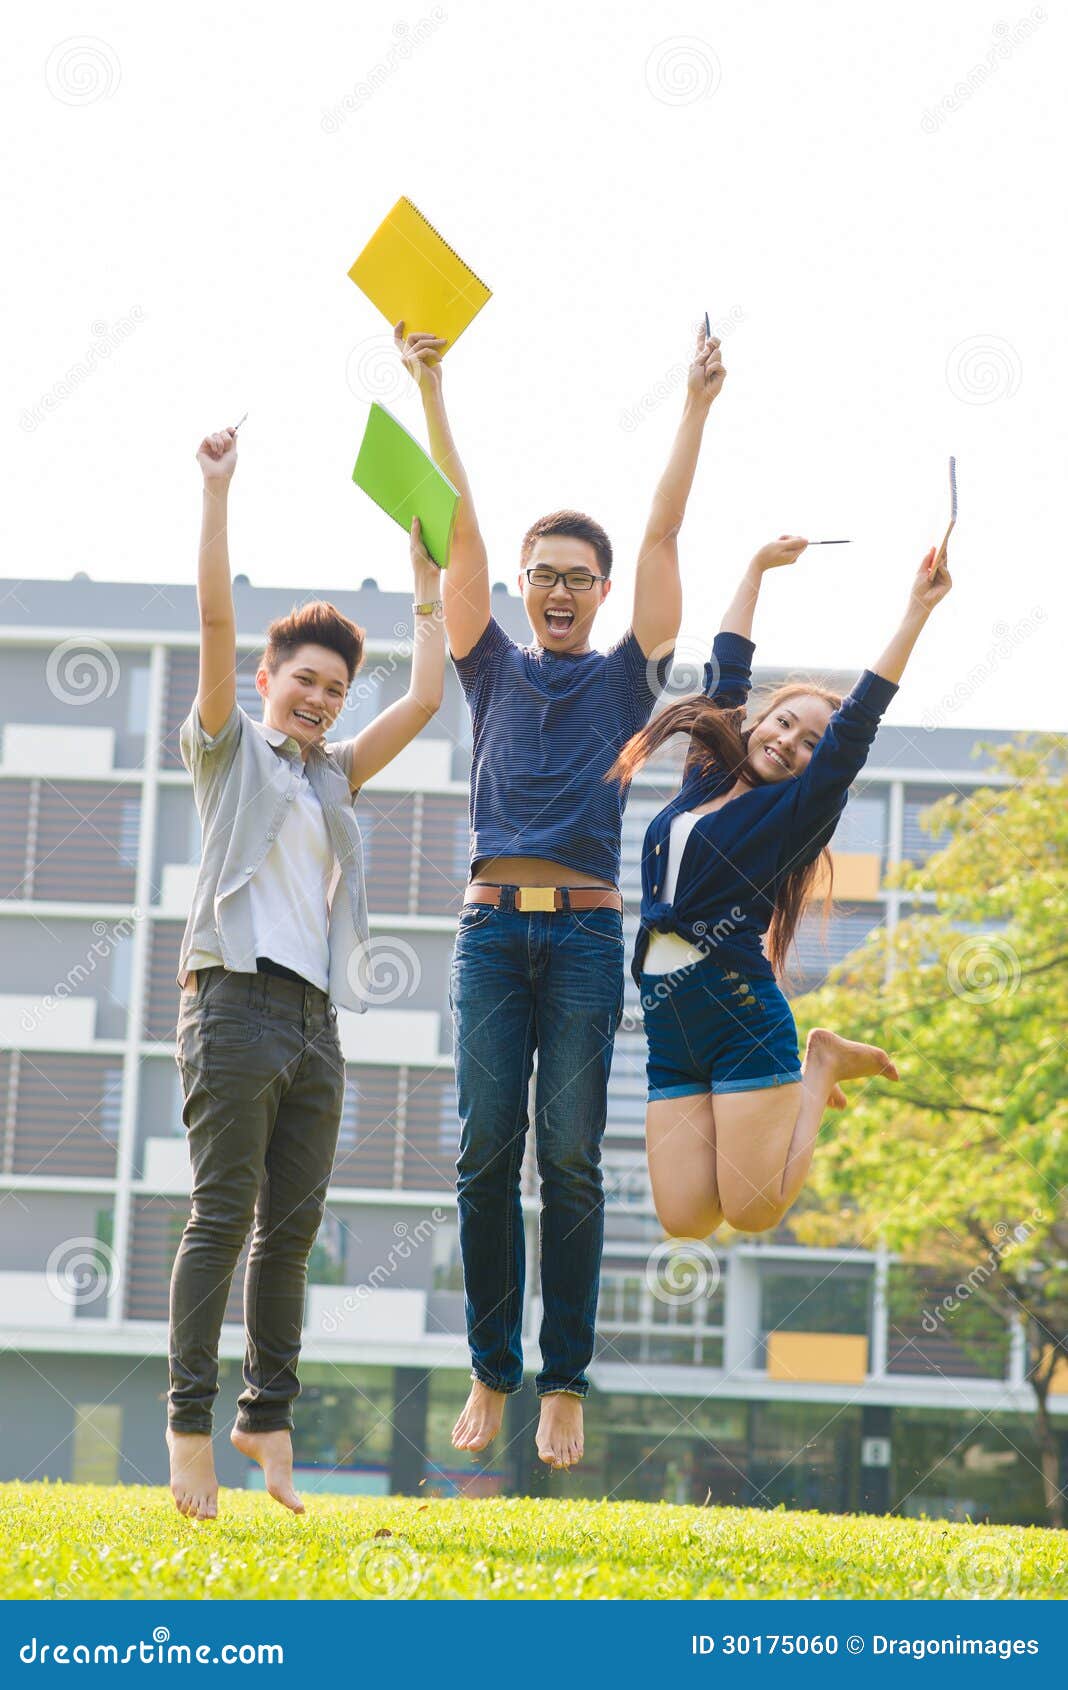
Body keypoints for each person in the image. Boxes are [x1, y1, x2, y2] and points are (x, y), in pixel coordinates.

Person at [396, 321, 725, 1468]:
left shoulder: (628, 674)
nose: (561, 592)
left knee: (572, 1155)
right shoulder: (486, 658)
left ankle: (565, 1376)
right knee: (487, 1152)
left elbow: (665, 530)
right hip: (492, 936)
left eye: (579, 580)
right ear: (521, 587)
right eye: (545, 576)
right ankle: (494, 1365)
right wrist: (433, 388)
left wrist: (691, 405)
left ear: (597, 594)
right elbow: (463, 526)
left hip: (586, 942)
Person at [167, 423, 445, 1521]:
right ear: (270, 679)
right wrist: (218, 492)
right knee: (222, 1214)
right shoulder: (228, 746)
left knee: (293, 1230)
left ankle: (265, 1415)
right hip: (231, 1002)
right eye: (308, 681)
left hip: (314, 1019)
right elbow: (215, 620)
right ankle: (191, 1427)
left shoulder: (333, 775)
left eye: (336, 687)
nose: (323, 698)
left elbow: (422, 700)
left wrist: (427, 583)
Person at [611, 535, 953, 1239]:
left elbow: (857, 725)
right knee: (685, 1221)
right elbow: (728, 663)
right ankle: (807, 1072)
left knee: (753, 1211)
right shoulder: (704, 778)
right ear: (758, 720)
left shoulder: (795, 814)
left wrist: (915, 611)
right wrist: (755, 568)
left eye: (807, 745)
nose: (789, 743)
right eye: (784, 723)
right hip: (670, 1022)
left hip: (738, 1013)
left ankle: (819, 1062)